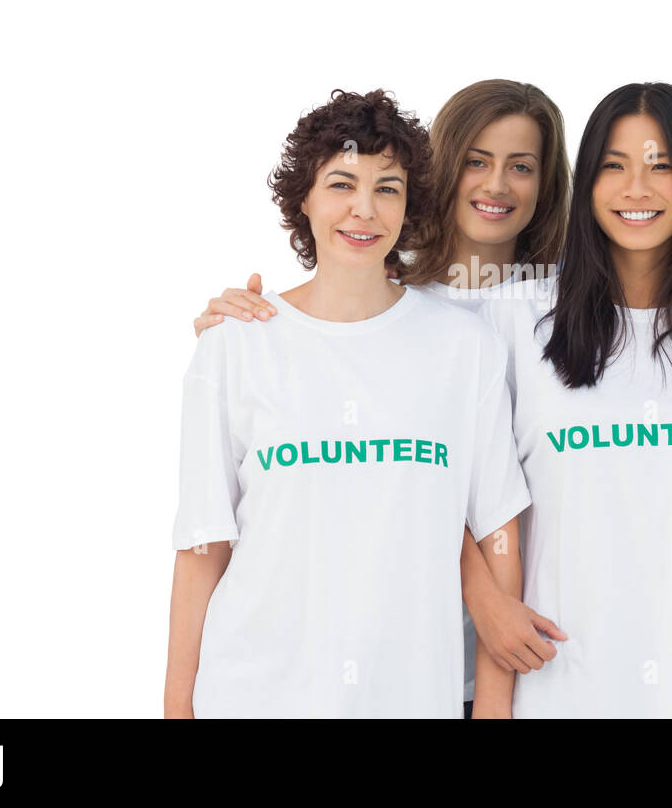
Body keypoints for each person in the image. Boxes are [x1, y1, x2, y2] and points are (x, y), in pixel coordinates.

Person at [187, 79, 572, 717]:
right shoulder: (382, 296)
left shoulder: (565, 312)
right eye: (476, 160)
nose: (496, 184)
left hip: (530, 653)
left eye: (521, 166)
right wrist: (234, 335)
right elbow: (390, 481)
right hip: (412, 654)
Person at [479, 82, 672, 717]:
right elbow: (475, 507)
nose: (636, 190)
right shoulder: (512, 318)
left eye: (661, 168)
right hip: (555, 688)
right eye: (614, 167)